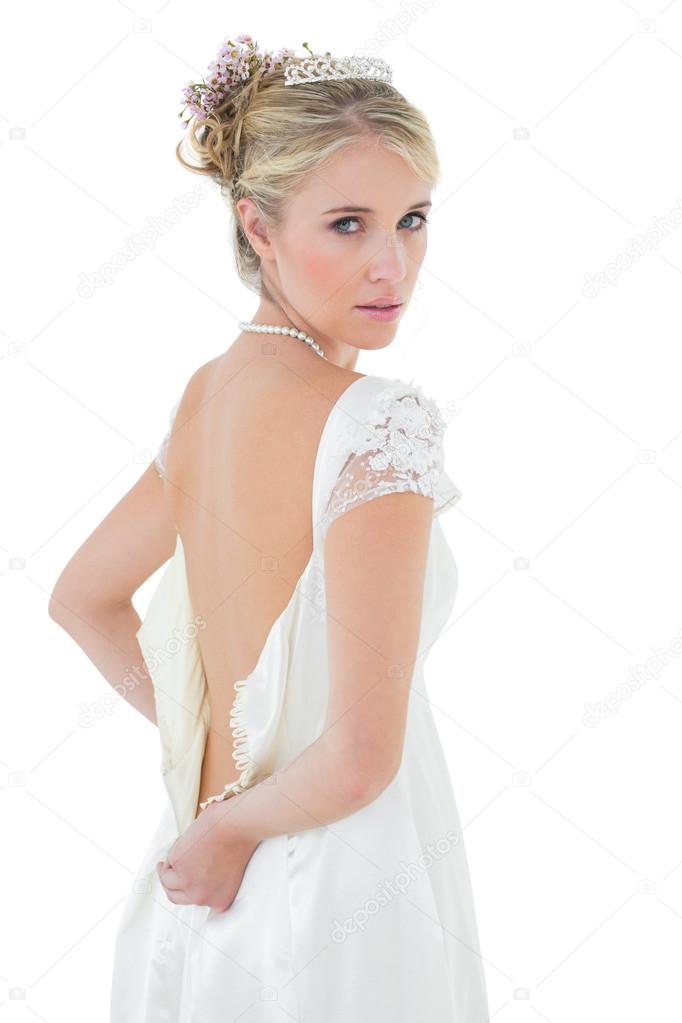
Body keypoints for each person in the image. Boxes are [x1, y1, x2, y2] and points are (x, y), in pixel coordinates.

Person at [49, 34, 490, 1022]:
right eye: (347, 224)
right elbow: (362, 756)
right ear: (257, 224)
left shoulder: (207, 396)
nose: (393, 263)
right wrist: (233, 828)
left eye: (412, 219)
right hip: (339, 896)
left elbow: (81, 599)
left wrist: (213, 764)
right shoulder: (377, 421)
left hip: (197, 894)